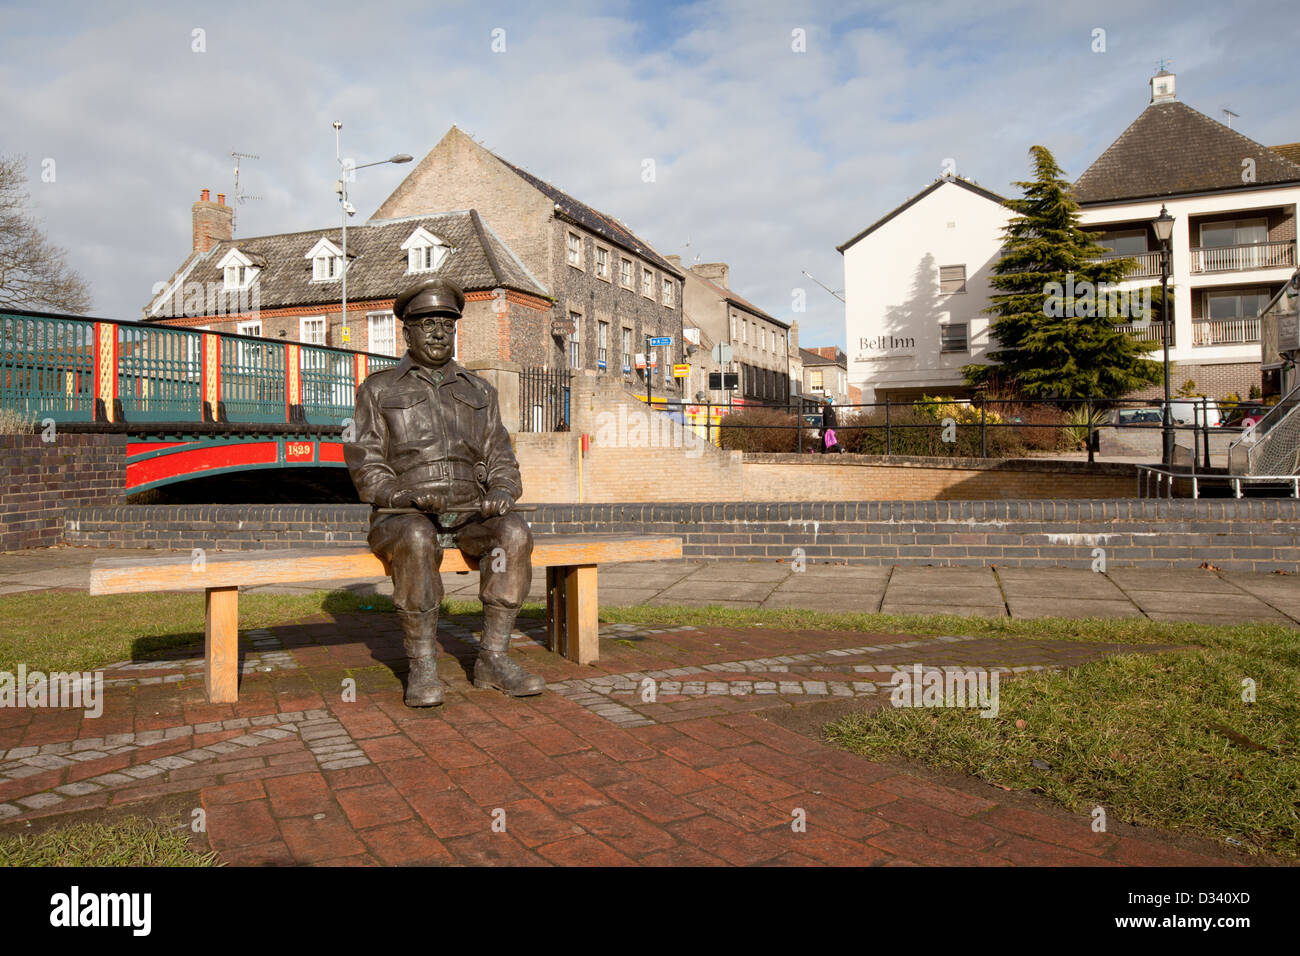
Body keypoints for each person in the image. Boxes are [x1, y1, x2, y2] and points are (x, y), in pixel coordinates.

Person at [343, 277, 543, 707]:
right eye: (428, 323)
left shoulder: (479, 391)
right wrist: (402, 497)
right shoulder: (378, 389)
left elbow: (501, 456)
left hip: (471, 515)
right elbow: (366, 461)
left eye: (447, 324)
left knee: (514, 532)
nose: (438, 332)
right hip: (402, 517)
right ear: (407, 331)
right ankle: (422, 666)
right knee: (417, 537)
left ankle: (492, 658)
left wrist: (503, 490)